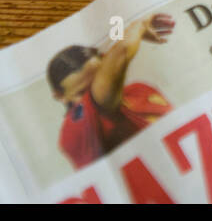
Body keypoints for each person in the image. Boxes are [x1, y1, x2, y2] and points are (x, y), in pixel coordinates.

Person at [48, 12, 175, 170]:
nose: (99, 87)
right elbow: (121, 53)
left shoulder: (140, 90)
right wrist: (139, 26)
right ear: (60, 96)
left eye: (99, 77)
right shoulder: (73, 133)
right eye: (81, 92)